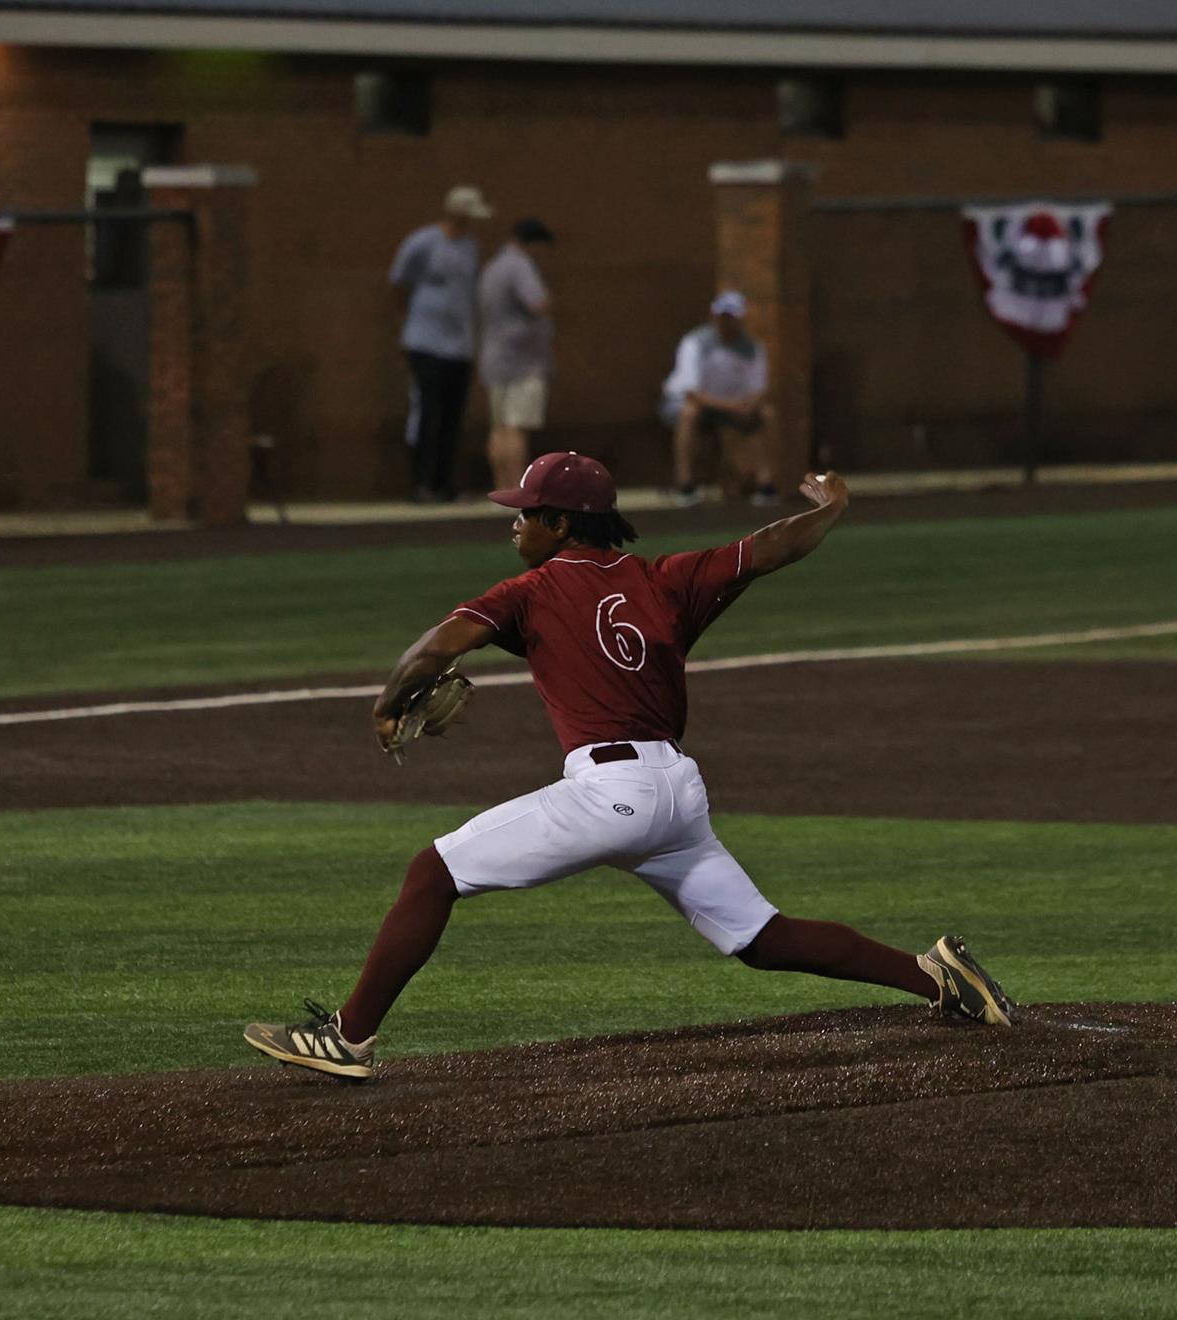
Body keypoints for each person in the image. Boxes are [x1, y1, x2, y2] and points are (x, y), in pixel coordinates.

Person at [245, 451, 1017, 1082]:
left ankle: (346, 1038)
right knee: (761, 937)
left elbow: (434, 648)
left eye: (524, 512)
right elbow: (769, 548)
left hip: (610, 793)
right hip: (676, 794)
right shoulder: (665, 579)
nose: (514, 523)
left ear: (559, 523)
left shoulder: (529, 588)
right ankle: (937, 977)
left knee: (432, 873)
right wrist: (832, 507)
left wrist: (386, 706)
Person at [390, 185, 491, 502]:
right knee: (427, 414)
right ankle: (420, 484)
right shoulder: (423, 243)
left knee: (452, 416)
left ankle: (444, 483)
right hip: (426, 343)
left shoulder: (471, 247)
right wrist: (412, 323)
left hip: (459, 346)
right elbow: (399, 283)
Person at [660, 291, 780, 508]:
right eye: (722, 316)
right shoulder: (696, 342)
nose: (726, 322)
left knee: (766, 414)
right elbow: (691, 393)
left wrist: (749, 405)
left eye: (731, 317)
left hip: (733, 408)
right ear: (714, 316)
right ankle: (685, 485)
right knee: (689, 413)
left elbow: (759, 388)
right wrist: (733, 406)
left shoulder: (752, 348)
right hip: (695, 405)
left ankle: (766, 484)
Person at [476, 218, 555, 492]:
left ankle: (501, 488)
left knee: (499, 428)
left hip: (494, 358)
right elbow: (537, 303)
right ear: (533, 244)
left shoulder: (493, 266)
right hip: (522, 361)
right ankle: (518, 491)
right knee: (516, 427)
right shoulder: (520, 265)